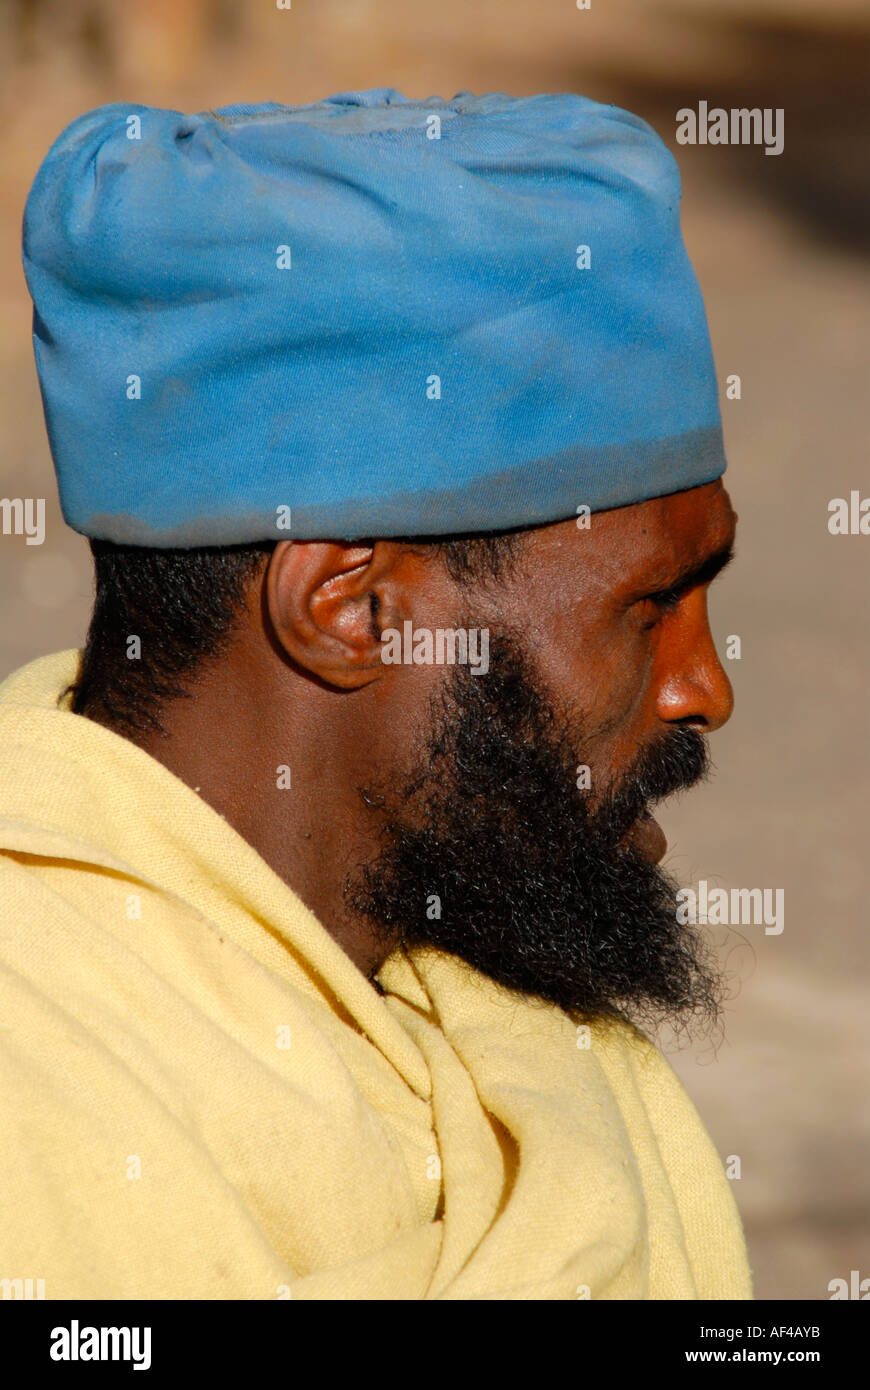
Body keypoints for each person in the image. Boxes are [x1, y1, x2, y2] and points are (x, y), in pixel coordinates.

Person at [0, 88, 751, 1299]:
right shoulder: (34, 1088)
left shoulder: (512, 1009)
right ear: (354, 609)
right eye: (651, 605)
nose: (703, 690)